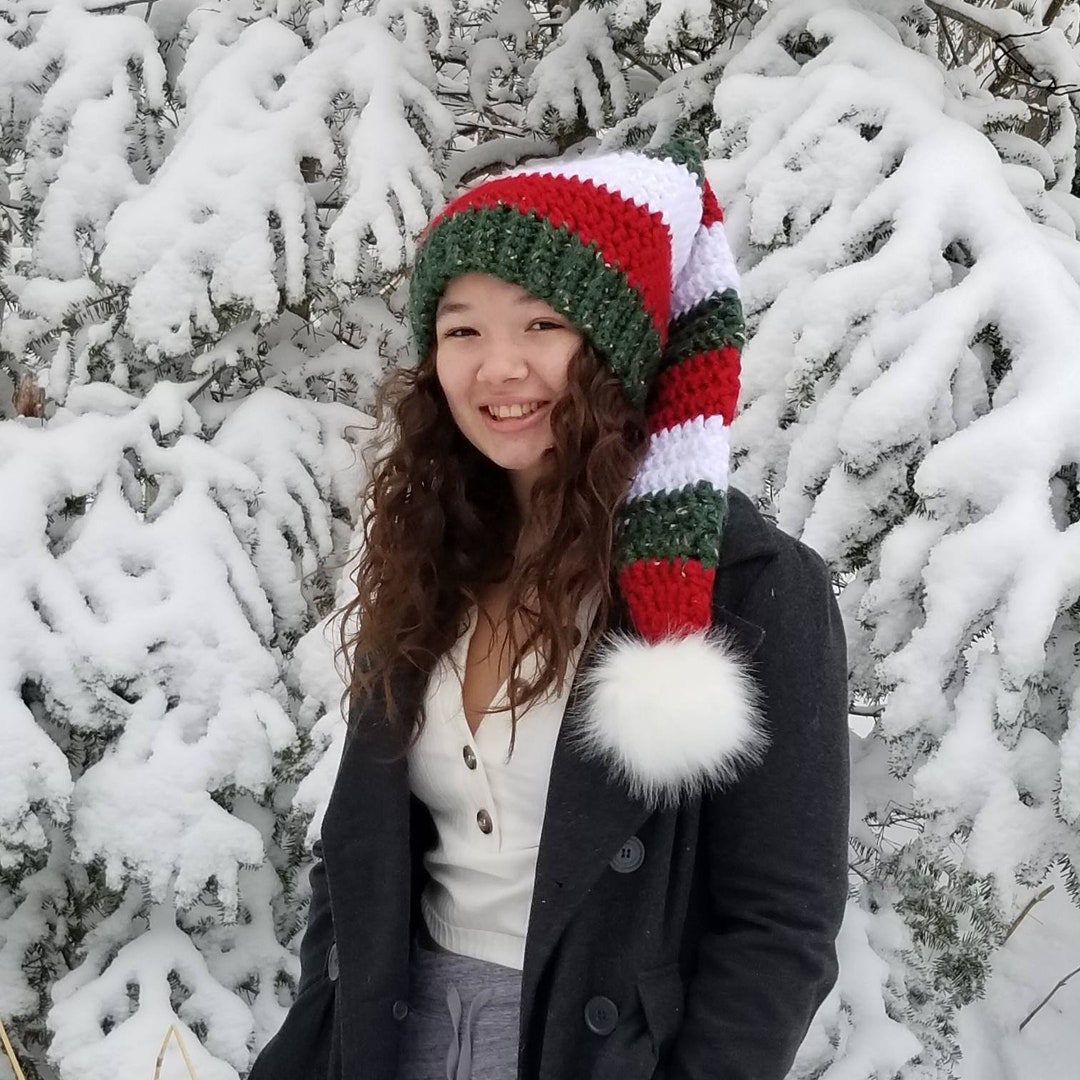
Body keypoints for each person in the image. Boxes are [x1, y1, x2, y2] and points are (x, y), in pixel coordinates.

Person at [249, 140, 850, 1080]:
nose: (498, 370)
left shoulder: (749, 586)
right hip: (387, 1039)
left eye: (541, 324)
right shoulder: (427, 554)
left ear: (616, 345)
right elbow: (358, 852)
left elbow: (783, 924)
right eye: (461, 331)